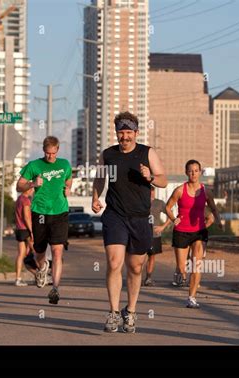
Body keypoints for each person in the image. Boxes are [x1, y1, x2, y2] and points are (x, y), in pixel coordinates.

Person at [92, 111, 168, 333]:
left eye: (128, 132)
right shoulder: (107, 155)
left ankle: (131, 311)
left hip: (140, 218)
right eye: (120, 132)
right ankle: (114, 312)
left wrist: (150, 177)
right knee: (114, 263)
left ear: (136, 132)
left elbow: (163, 179)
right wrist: (95, 197)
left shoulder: (147, 153)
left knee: (135, 267)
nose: (124, 137)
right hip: (115, 215)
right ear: (116, 133)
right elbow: (99, 178)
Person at [16, 136, 72, 304]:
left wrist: (68, 187)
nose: (50, 157)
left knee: (57, 251)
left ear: (58, 150)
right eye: (47, 153)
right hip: (39, 212)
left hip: (60, 212)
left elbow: (69, 179)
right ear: (43, 151)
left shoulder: (64, 164)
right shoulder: (34, 165)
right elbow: (19, 186)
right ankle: (42, 267)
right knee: (39, 252)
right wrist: (32, 183)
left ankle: (55, 289)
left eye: (53, 153)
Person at [165, 160, 222, 309]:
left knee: (197, 265)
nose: (193, 173)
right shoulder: (179, 190)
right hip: (181, 231)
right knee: (182, 268)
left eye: (196, 171)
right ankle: (179, 273)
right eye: (190, 171)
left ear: (200, 172)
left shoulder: (205, 191)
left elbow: (214, 209)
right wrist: (173, 219)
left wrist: (219, 221)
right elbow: (168, 207)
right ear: (186, 172)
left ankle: (192, 297)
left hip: (199, 232)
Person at [143, 186, 172, 287]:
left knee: (152, 256)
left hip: (155, 235)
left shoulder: (159, 203)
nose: (151, 193)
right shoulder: (140, 202)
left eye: (152, 191)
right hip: (141, 234)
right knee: (139, 257)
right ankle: (135, 277)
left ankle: (148, 278)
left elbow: (171, 215)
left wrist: (162, 227)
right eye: (149, 191)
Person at [14, 187, 34, 286]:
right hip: (25, 229)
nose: (33, 191)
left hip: (18, 229)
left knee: (21, 254)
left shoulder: (19, 199)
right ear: (29, 190)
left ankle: (18, 278)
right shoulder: (26, 200)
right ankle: (41, 275)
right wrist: (31, 231)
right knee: (36, 251)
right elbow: (26, 217)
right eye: (32, 189)